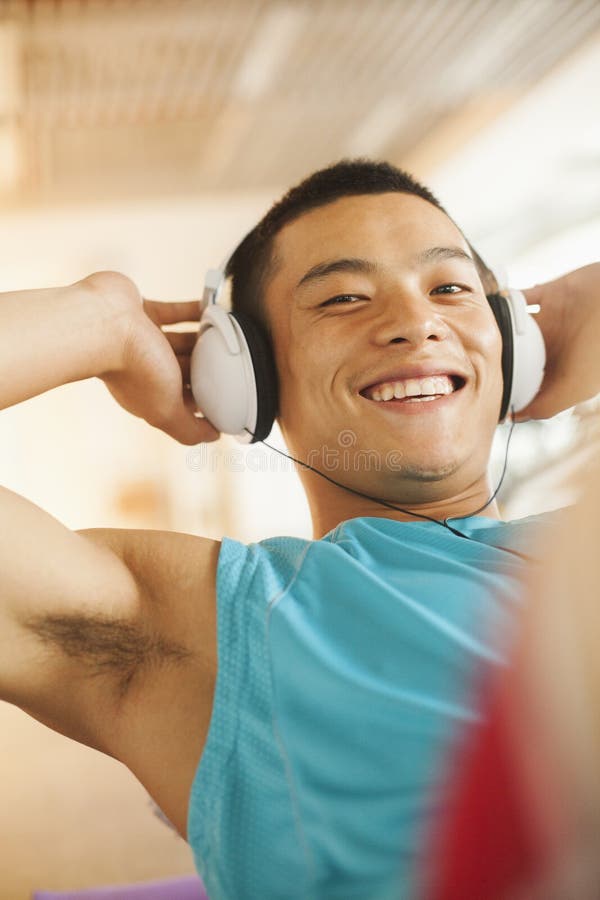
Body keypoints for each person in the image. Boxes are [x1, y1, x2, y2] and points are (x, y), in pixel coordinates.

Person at [0, 159, 598, 900]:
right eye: (344, 298)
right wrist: (98, 320)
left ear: (513, 343)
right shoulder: (201, 627)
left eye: (450, 289)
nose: (417, 323)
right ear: (245, 377)